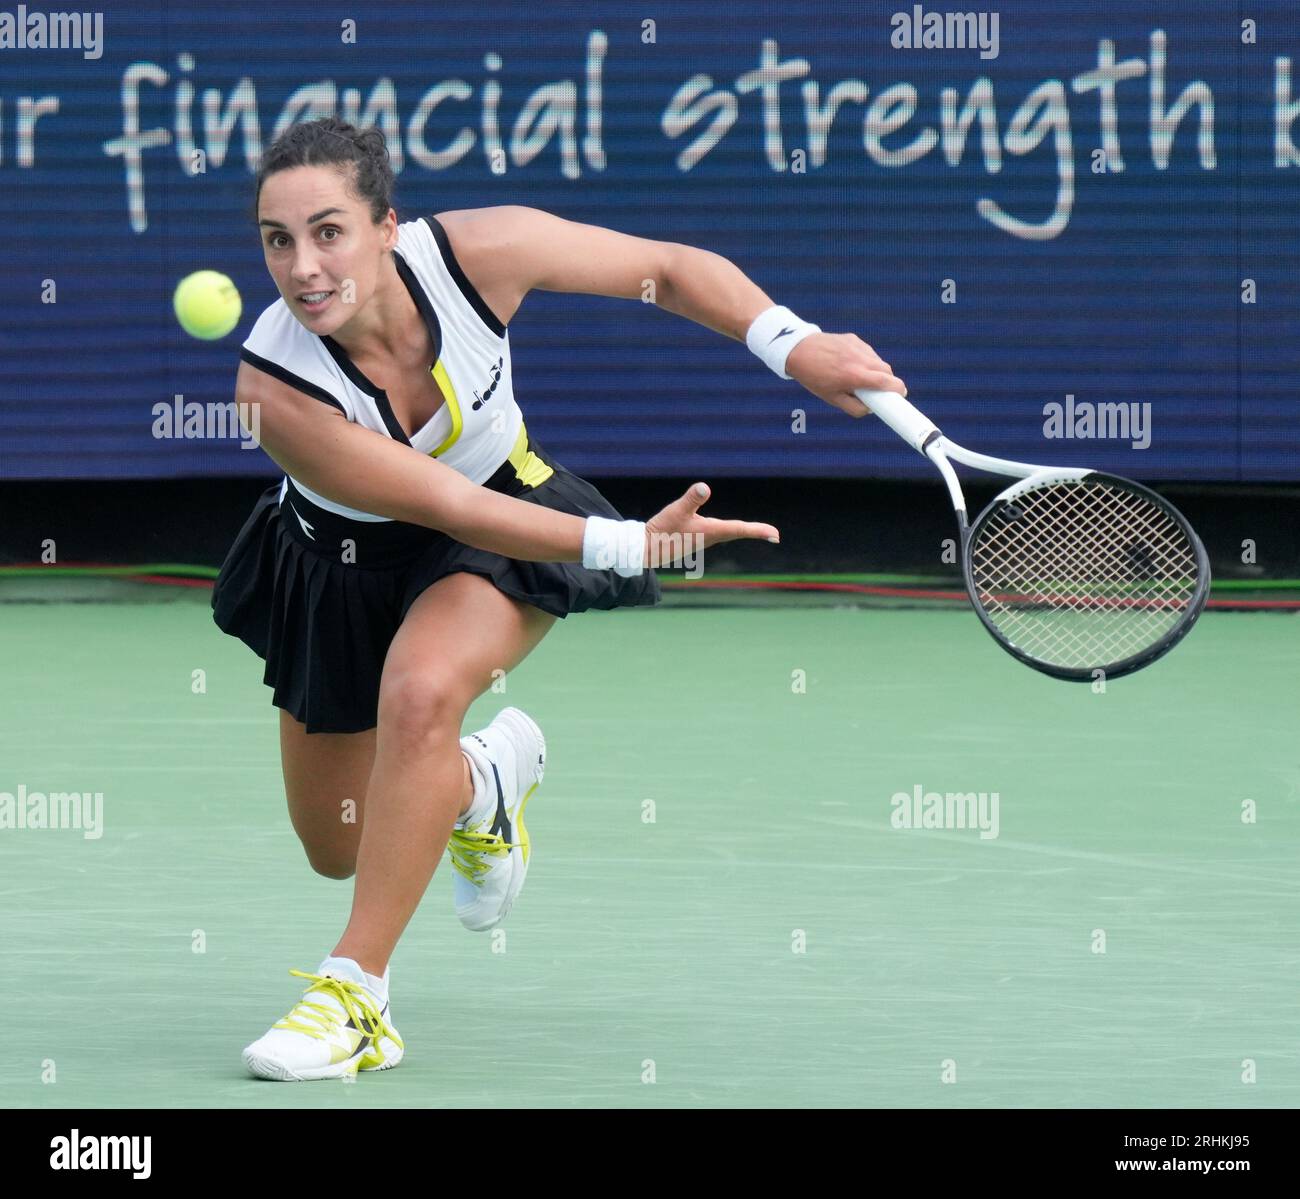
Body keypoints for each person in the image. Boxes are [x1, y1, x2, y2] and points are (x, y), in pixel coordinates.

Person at [211, 117, 907, 1081]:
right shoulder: (272, 391)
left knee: (419, 693)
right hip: (343, 562)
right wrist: (634, 544)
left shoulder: (480, 253)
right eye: (277, 240)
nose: (303, 265)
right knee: (339, 843)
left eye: (329, 231)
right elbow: (436, 497)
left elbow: (664, 265)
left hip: (497, 518)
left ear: (387, 227)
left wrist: (794, 347)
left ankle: (356, 995)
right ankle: (481, 784)